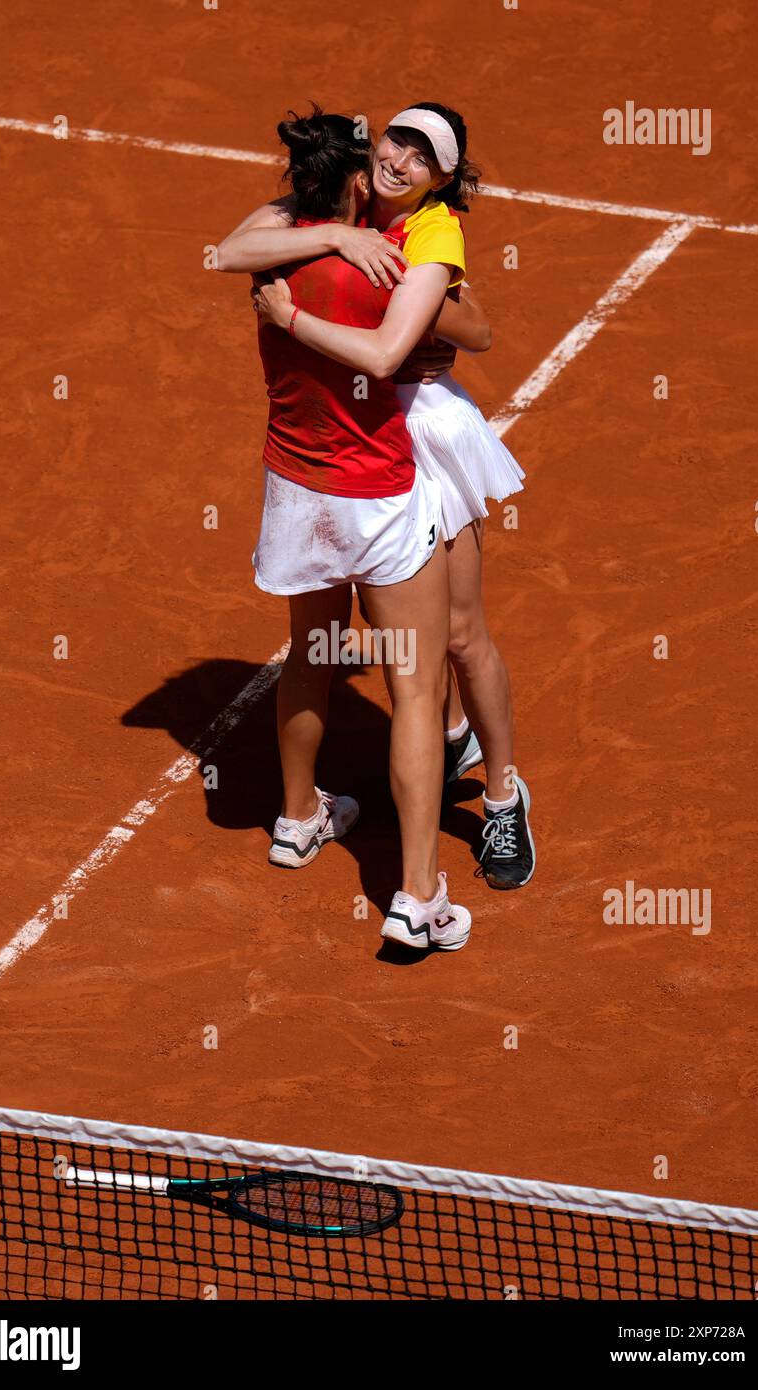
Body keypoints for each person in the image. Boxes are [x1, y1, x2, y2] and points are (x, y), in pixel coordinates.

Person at [229, 104, 535, 891]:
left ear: (441, 179)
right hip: (357, 438)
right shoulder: (345, 194)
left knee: (463, 636)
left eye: (422, 157)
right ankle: (442, 752)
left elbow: (478, 332)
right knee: (391, 657)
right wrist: (339, 236)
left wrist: (419, 299)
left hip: (421, 437)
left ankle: (502, 794)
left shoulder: (434, 232)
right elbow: (232, 249)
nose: (403, 161)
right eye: (398, 141)